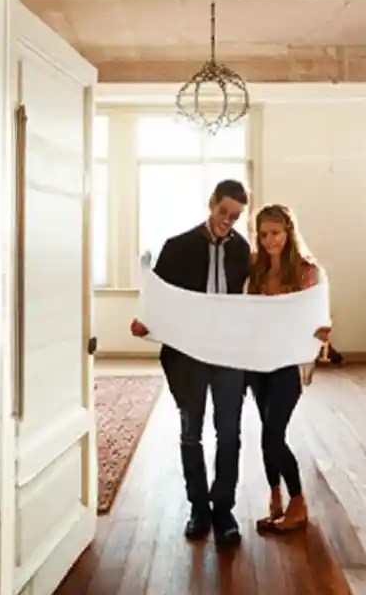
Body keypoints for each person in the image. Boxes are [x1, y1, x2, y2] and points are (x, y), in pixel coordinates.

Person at [130, 179, 251, 548]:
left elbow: (251, 301)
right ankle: (199, 508)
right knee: (191, 432)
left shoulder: (242, 250)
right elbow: (158, 297)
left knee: (229, 433)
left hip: (228, 353)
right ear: (211, 203)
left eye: (235, 216)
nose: (227, 220)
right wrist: (145, 320)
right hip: (187, 357)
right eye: (223, 212)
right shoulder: (177, 246)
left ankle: (224, 509)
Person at [246, 204, 332, 534]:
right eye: (263, 234)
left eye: (275, 233)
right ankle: (275, 500)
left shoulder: (308, 272)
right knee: (268, 430)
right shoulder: (255, 269)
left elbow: (319, 315)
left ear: (289, 233)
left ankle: (298, 504)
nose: (269, 240)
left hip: (289, 363)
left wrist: (324, 331)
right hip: (258, 361)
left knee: (272, 434)